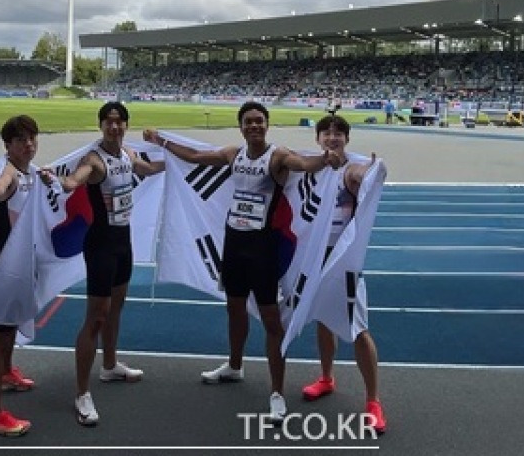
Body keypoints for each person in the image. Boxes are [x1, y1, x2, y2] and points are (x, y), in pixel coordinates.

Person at [143, 101, 340, 423]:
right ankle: (234, 366)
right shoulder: (233, 154)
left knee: (271, 321)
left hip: (263, 249)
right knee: (234, 308)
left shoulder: (277, 156)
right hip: (234, 244)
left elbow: (304, 163)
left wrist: (325, 159)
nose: (254, 126)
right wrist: (161, 141)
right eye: (248, 121)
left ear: (267, 124)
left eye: (259, 121)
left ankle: (277, 393)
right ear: (241, 127)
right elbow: (194, 157)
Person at [49, 102, 165, 427]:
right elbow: (75, 180)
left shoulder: (127, 154)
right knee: (96, 317)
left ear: (126, 125)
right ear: (101, 126)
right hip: (100, 246)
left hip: (123, 244)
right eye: (108, 122)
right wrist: (60, 181)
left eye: (119, 122)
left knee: (116, 308)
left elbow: (148, 169)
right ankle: (82, 393)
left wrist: (176, 160)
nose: (114, 127)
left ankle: (110, 366)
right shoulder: (95, 160)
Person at [298, 114, 387, 434]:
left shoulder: (349, 169)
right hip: (316, 259)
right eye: (326, 132)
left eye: (338, 133)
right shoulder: (311, 168)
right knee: (324, 321)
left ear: (347, 139)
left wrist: (372, 171)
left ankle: (373, 400)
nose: (332, 137)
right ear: (318, 138)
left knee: (358, 330)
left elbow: (359, 175)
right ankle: (326, 377)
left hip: (343, 261)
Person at [0, 114, 45, 437]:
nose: (28, 144)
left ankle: (6, 372)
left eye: (32, 138)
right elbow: (1, 185)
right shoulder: (8, 172)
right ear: (8, 145)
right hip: (2, 268)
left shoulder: (31, 171)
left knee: (10, 329)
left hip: (20, 264)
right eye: (21, 140)